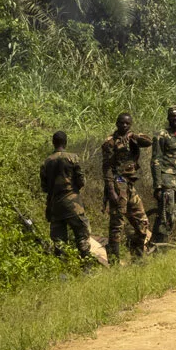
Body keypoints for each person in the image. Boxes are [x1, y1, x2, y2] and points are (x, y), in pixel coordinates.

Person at [40, 129, 108, 265]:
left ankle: (62, 268)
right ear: (65, 142)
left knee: (59, 241)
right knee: (82, 235)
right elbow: (81, 181)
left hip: (55, 206)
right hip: (73, 204)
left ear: (53, 142)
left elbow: (45, 187)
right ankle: (86, 266)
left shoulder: (46, 162)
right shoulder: (73, 158)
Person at [99, 112, 155, 260]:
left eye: (127, 123)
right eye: (121, 123)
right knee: (117, 224)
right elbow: (107, 168)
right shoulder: (110, 142)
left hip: (130, 185)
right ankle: (114, 261)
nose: (124, 125)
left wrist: (132, 136)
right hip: (118, 184)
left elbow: (148, 142)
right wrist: (111, 190)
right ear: (117, 124)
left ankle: (137, 257)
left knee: (142, 222)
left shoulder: (132, 139)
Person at [150, 104, 176, 244]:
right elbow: (156, 160)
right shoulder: (162, 135)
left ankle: (158, 244)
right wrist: (157, 185)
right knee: (166, 215)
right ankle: (159, 246)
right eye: (173, 116)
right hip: (166, 181)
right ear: (168, 118)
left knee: (171, 215)